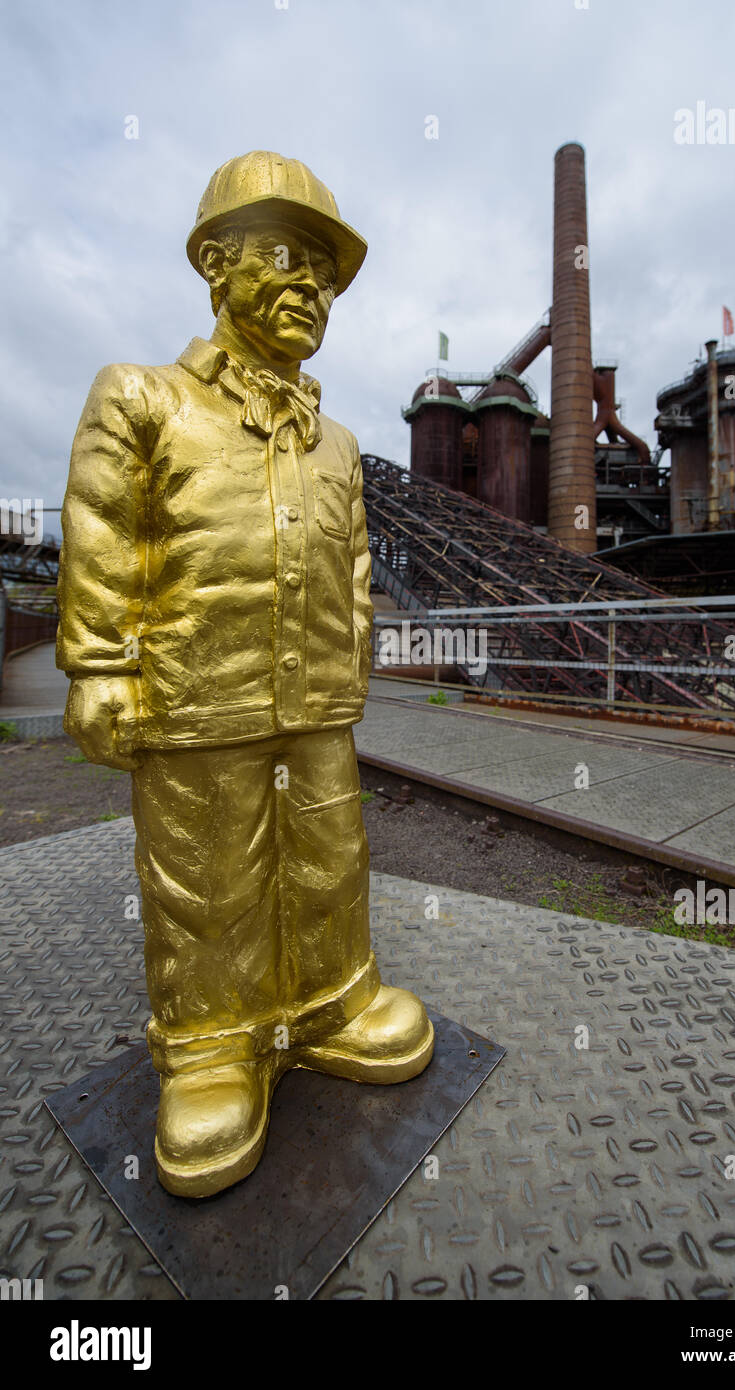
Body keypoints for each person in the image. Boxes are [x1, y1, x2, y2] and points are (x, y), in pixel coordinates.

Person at [57, 151, 434, 1198]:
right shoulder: (142, 398)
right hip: (195, 700)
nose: (311, 283)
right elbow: (101, 530)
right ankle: (213, 1045)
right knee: (206, 879)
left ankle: (330, 1002)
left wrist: (351, 658)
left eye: (326, 269)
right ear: (215, 264)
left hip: (312, 702)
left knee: (328, 857)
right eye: (287, 255)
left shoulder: (339, 443)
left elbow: (352, 564)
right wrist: (97, 663)